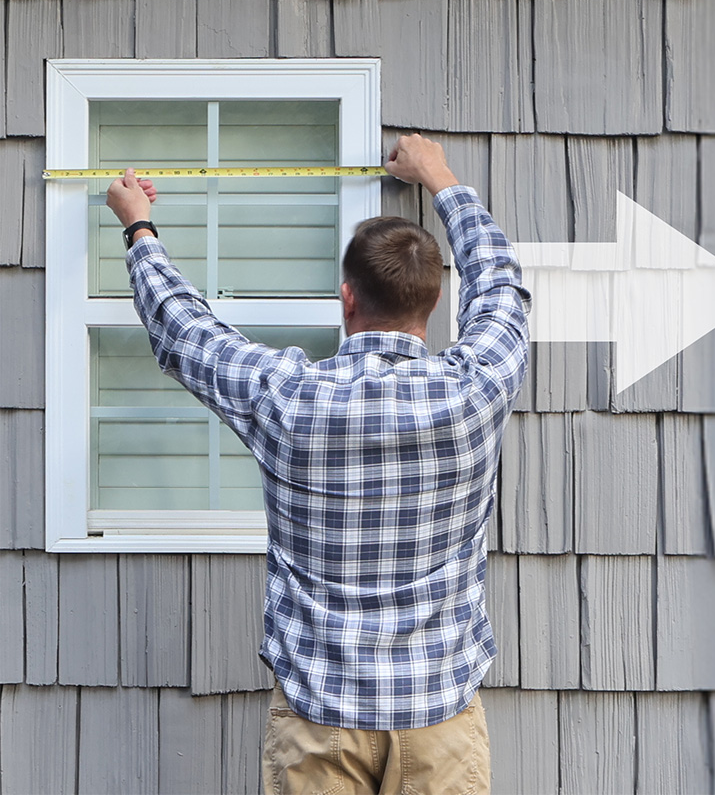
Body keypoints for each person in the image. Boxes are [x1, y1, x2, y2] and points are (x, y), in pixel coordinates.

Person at [105, 134, 530, 794]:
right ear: (435, 303)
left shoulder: (289, 396)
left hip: (320, 720)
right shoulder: (475, 390)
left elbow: (184, 333)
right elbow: (501, 284)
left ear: (347, 298)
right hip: (439, 715)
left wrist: (140, 229)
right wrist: (440, 176)